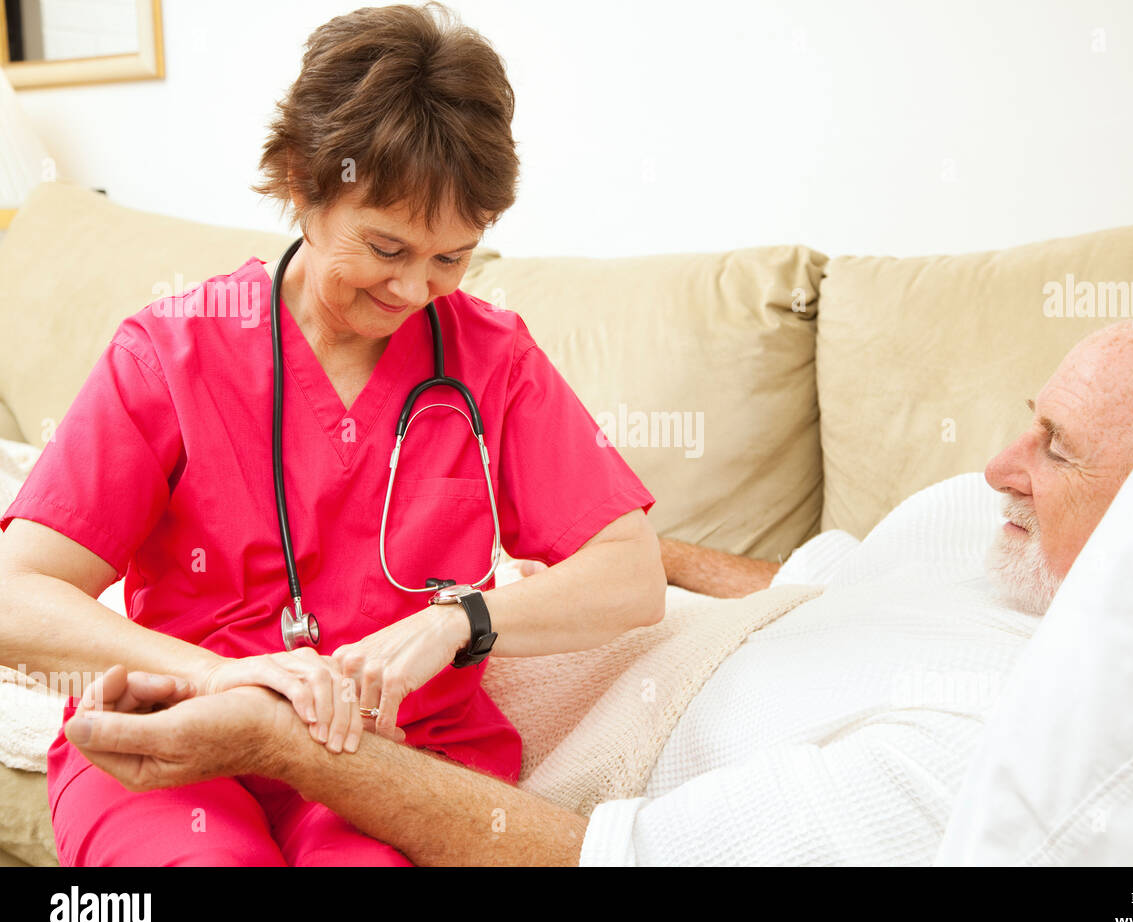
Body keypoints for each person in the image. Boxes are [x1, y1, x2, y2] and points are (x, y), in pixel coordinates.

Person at [59, 318, 1133, 866]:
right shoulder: (988, 530)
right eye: (1028, 422)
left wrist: (286, 740)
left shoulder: (992, 756)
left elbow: (597, 855)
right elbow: (806, 585)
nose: (998, 465)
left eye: (1055, 450)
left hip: (407, 722)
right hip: (460, 611)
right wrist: (577, 560)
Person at [0, 3, 663, 867]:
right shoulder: (173, 353)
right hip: (183, 733)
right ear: (299, 180)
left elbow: (632, 574)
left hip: (392, 753)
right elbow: (17, 596)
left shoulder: (491, 359)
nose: (416, 290)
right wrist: (214, 674)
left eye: (450, 257)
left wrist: (462, 620)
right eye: (386, 247)